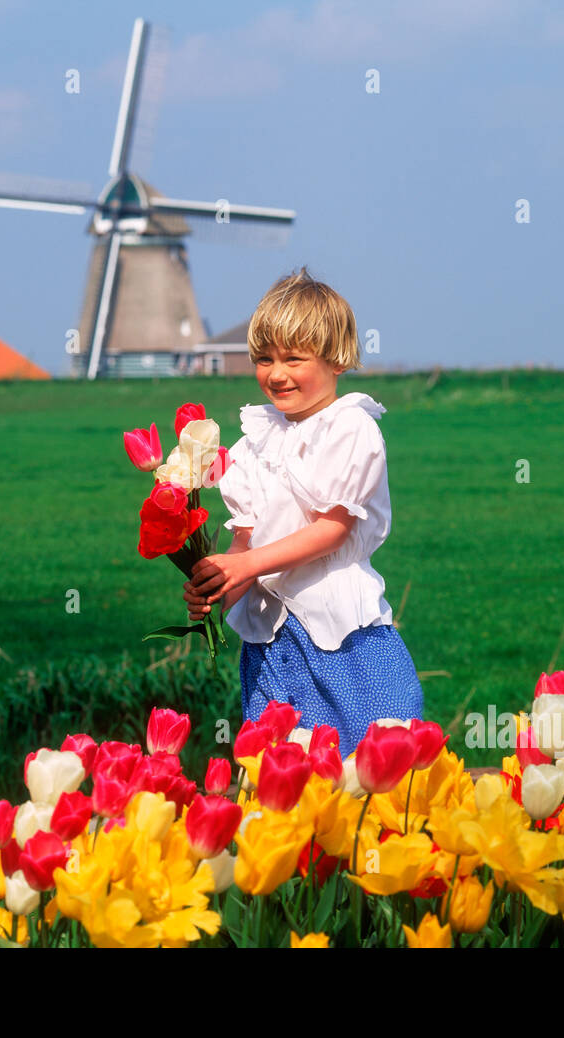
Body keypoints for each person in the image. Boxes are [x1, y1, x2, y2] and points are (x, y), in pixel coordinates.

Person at [184, 267, 424, 756]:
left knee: (372, 765)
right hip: (272, 643)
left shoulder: (349, 428)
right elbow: (244, 543)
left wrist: (247, 564)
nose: (276, 373)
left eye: (294, 358)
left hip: (342, 639)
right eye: (265, 359)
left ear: (336, 360)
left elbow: (332, 530)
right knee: (283, 773)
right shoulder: (254, 440)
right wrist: (221, 588)